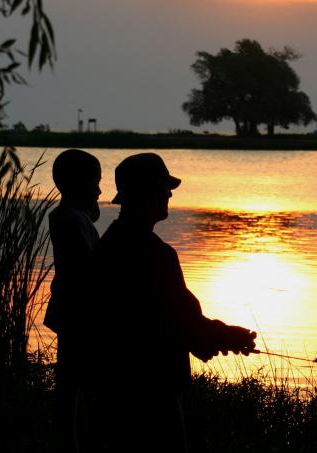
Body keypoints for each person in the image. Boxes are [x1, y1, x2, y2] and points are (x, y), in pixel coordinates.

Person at [78, 153, 256, 452]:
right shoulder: (156, 254)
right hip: (151, 391)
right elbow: (179, 323)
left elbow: (173, 319)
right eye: (164, 187)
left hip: (111, 389)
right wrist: (226, 336)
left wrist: (221, 336)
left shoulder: (110, 244)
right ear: (147, 193)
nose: (169, 193)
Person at [44, 149, 102, 453]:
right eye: (95, 183)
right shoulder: (70, 219)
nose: (100, 190)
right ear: (79, 184)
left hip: (71, 312)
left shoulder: (73, 216)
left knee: (72, 382)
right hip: (77, 314)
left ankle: (69, 438)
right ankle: (70, 441)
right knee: (75, 384)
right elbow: (87, 269)